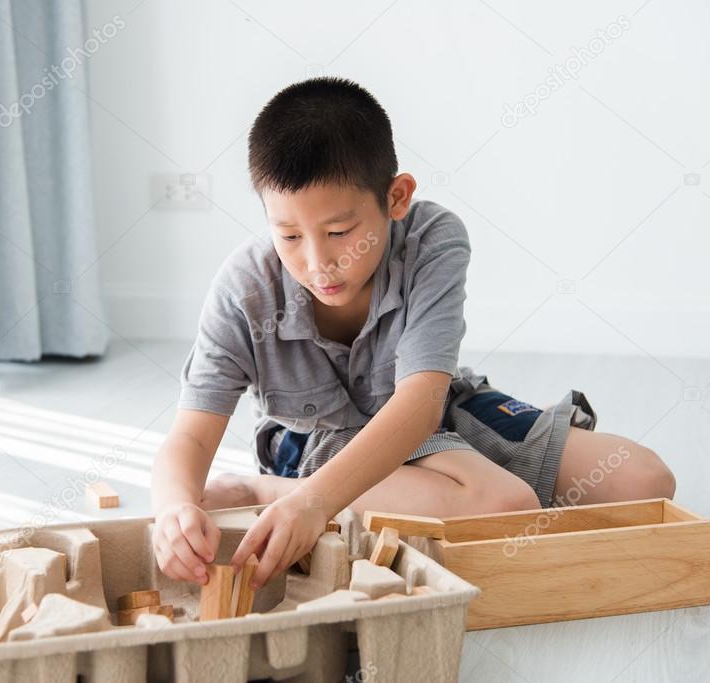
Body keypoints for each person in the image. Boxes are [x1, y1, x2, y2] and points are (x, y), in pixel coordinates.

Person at [150, 77, 675, 591]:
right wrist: (174, 507)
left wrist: (314, 503)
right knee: (505, 506)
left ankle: (303, 494)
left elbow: (421, 405)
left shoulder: (431, 239)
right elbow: (192, 435)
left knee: (644, 483)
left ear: (396, 197)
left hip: (429, 413)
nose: (317, 263)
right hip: (322, 441)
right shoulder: (244, 289)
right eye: (288, 235)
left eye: (339, 233)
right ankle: (263, 488)